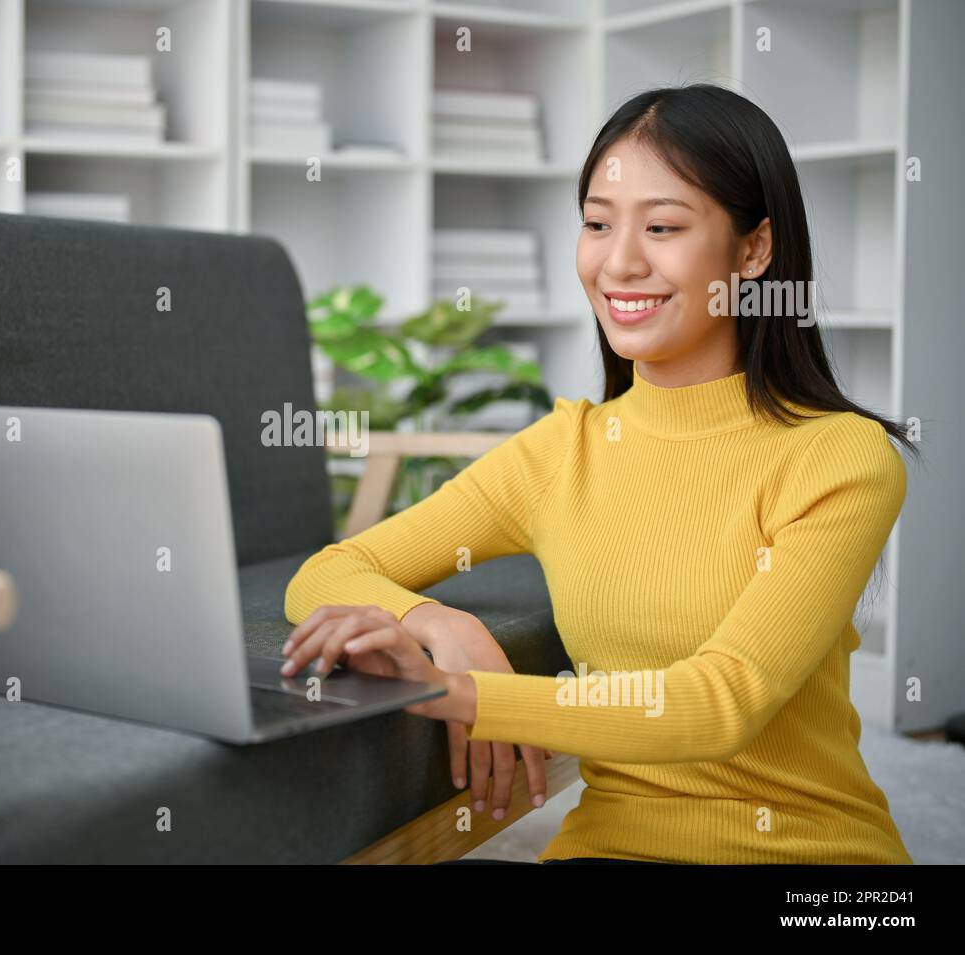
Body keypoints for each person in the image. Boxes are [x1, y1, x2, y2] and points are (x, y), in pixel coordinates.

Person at [282, 84, 920, 865]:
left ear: (754, 251)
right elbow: (327, 574)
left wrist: (460, 691)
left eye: (662, 227)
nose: (618, 261)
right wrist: (442, 626)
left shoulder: (841, 456)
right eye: (595, 224)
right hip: (611, 843)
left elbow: (722, 702)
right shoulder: (564, 450)